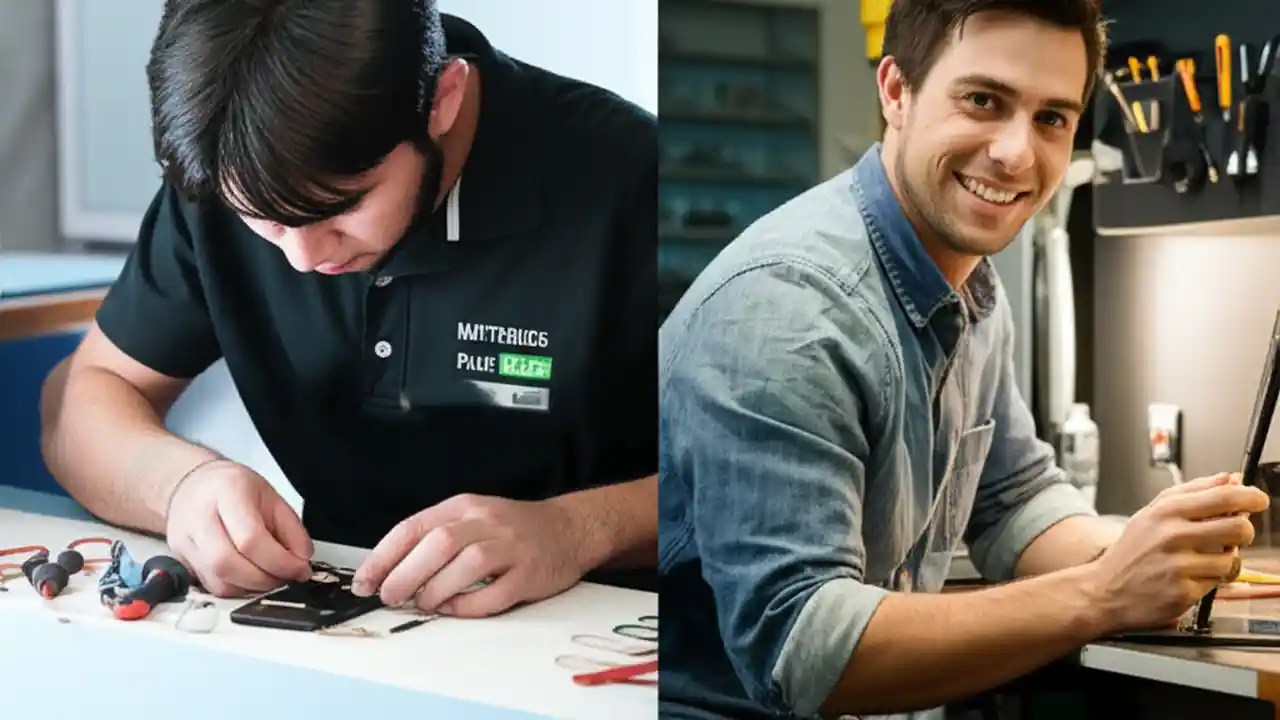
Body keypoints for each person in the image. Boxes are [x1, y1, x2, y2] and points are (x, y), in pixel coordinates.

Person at [656, 1, 1268, 718]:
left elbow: (1014, 501)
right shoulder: (789, 314)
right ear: (896, 92)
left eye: (1052, 118)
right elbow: (803, 650)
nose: (1016, 153)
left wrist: (1157, 551)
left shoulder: (966, 282)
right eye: (984, 100)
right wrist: (1106, 592)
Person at [40, 0, 657, 618]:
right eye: (263, 222)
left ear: (442, 101)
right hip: (344, 629)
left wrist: (577, 530)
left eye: (338, 207)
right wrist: (178, 485)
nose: (302, 258)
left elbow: (745, 475)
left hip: (595, 631)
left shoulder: (629, 180)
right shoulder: (232, 170)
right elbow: (83, 400)